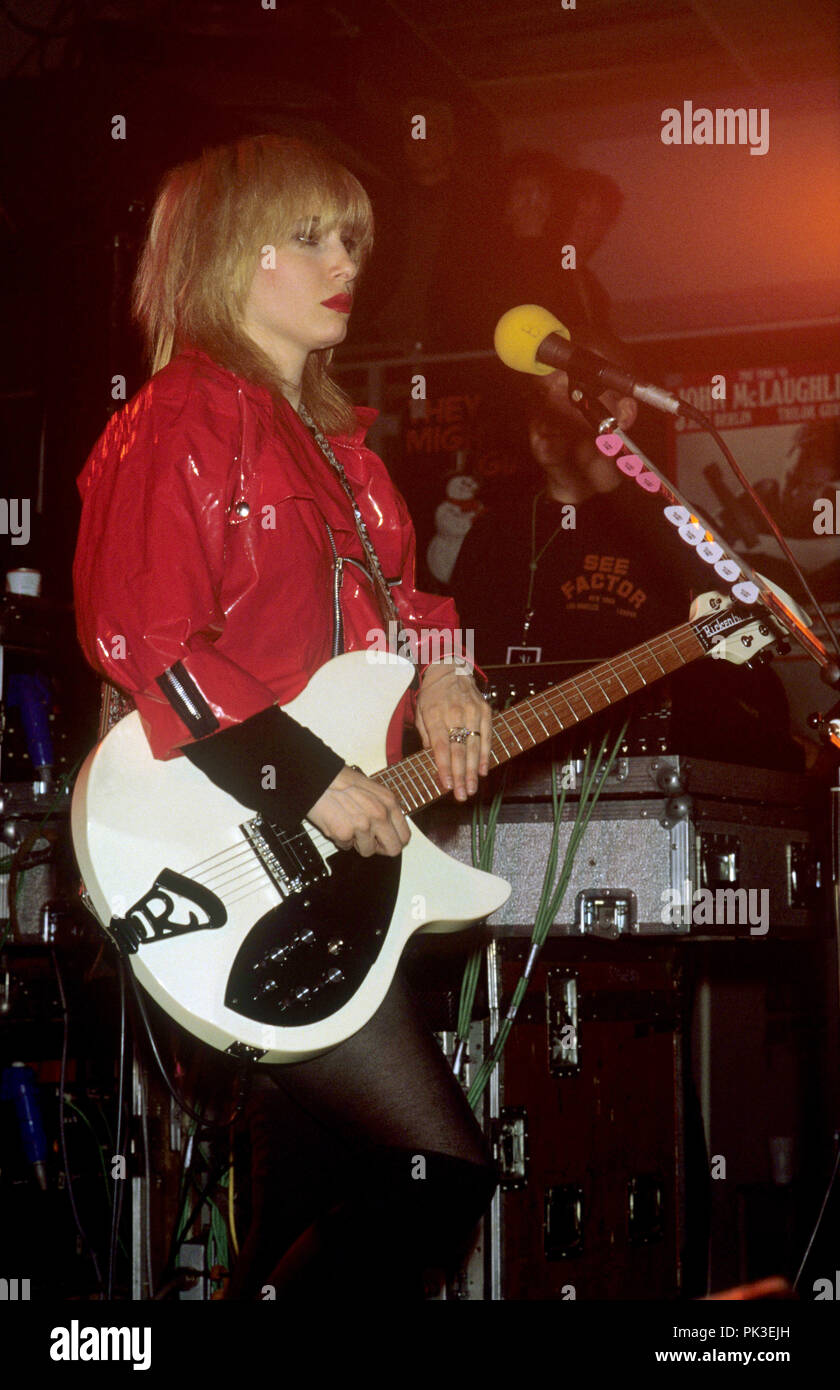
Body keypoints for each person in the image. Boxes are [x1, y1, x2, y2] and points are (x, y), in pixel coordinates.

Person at [72, 133, 497, 1299]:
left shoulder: (343, 451)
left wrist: (446, 675)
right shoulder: (182, 416)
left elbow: (409, 607)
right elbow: (148, 638)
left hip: (325, 865)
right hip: (227, 835)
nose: (344, 262)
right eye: (308, 237)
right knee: (437, 1170)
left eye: (351, 239)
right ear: (225, 254)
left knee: (308, 1203)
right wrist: (306, 778)